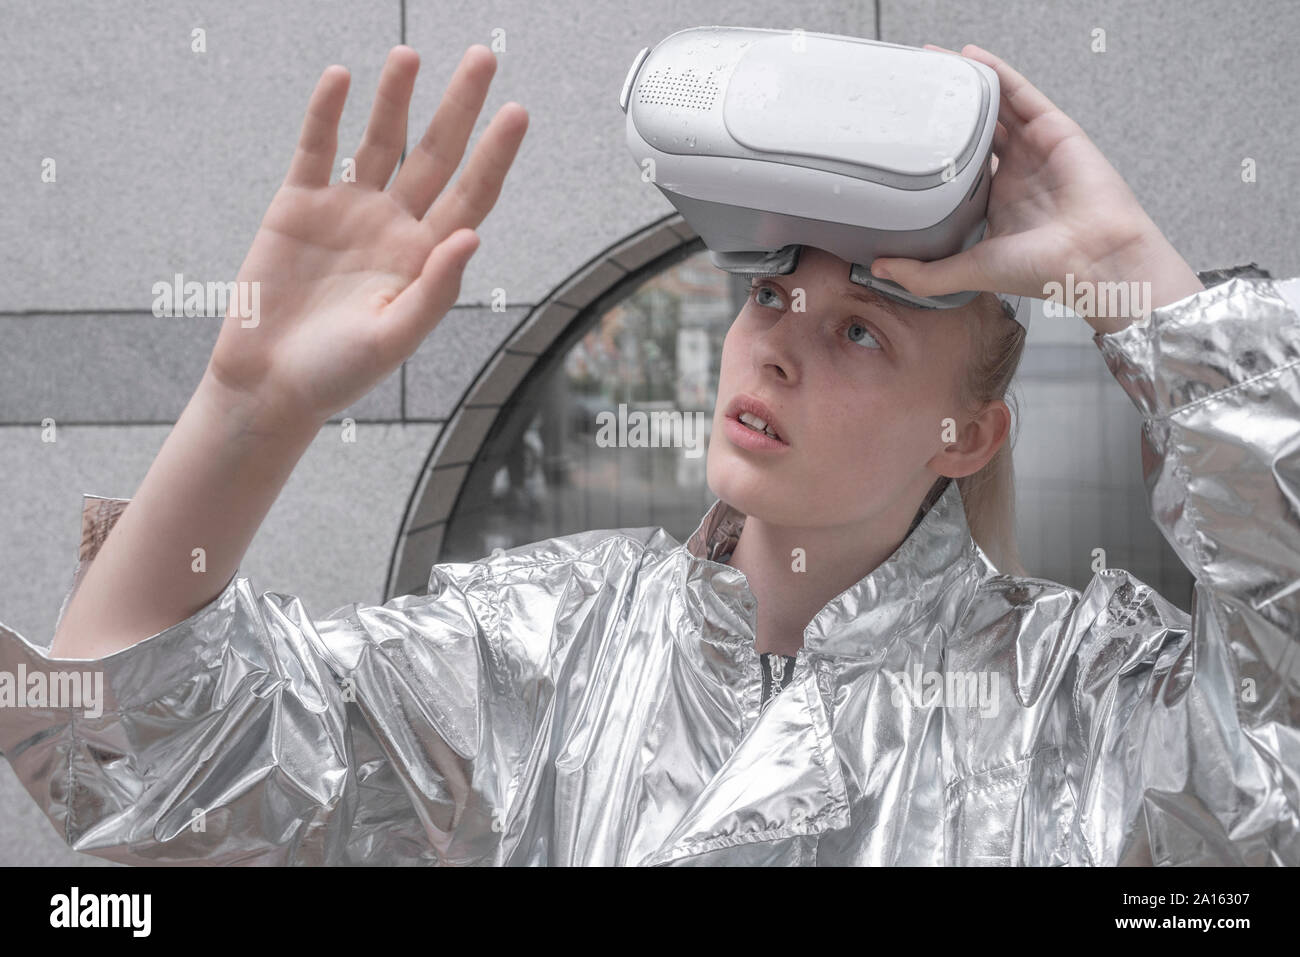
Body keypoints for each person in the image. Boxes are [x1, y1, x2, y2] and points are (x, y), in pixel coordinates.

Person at [0, 41, 1295, 866]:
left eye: (860, 331)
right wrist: (249, 403)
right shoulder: (551, 647)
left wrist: (1129, 276)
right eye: (772, 296)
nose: (775, 349)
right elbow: (152, 760)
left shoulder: (1084, 704)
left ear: (968, 435)